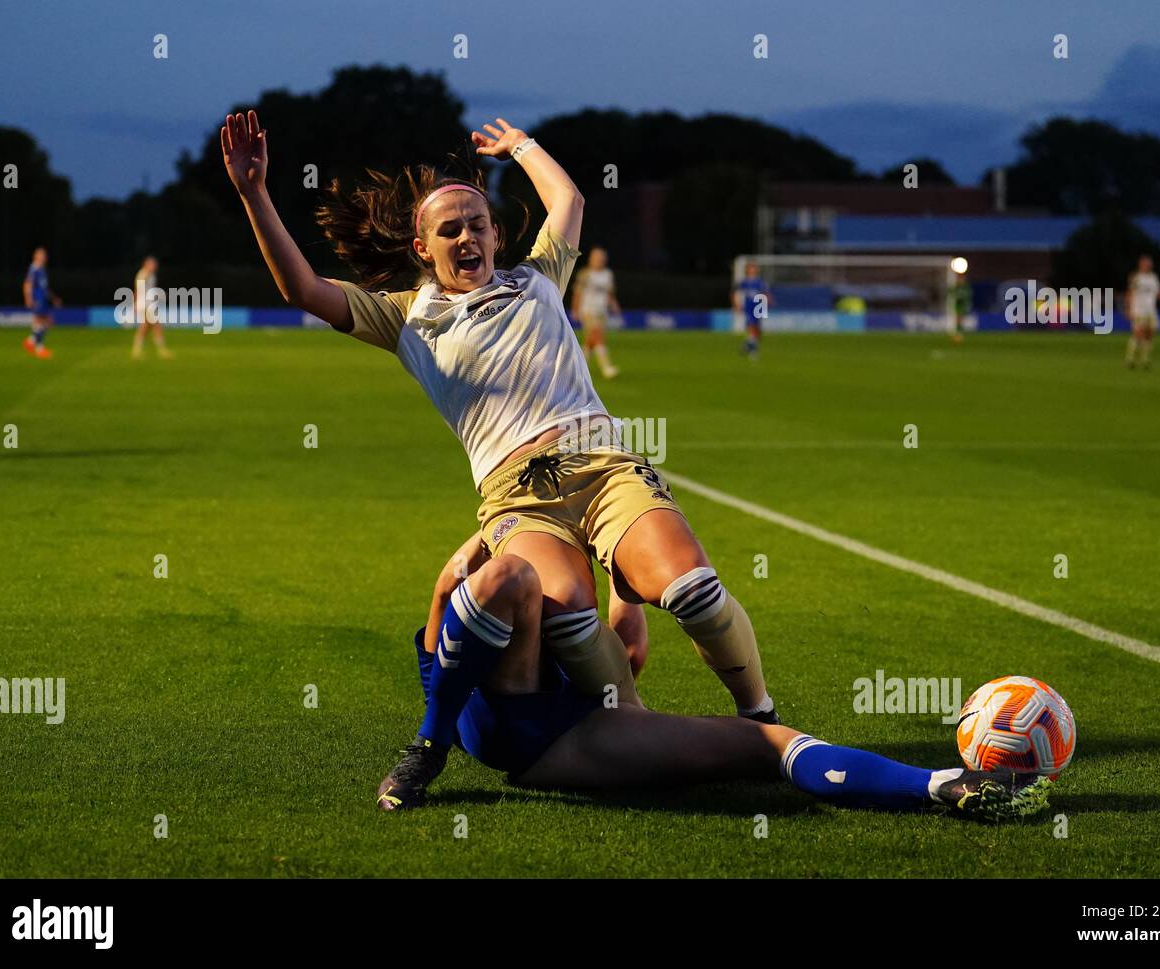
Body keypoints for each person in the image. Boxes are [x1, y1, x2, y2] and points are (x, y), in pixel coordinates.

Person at [221, 110, 779, 804]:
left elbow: (569, 201)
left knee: (692, 589)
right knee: (575, 621)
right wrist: (253, 193)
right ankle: (632, 723)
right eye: (449, 229)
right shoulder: (405, 318)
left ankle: (760, 715)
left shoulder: (540, 276)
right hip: (519, 500)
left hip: (601, 465)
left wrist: (522, 148)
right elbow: (302, 289)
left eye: (477, 223)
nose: (467, 236)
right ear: (423, 247)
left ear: (494, 232)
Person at [378, 538, 1052, 820]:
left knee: (767, 746)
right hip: (508, 728)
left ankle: (943, 785)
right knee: (502, 575)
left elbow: (622, 665)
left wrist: (627, 591)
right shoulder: (491, 570)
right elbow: (451, 607)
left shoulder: (567, 611)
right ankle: (424, 749)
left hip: (557, 741)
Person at [571, 246, 620, 378]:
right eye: (597, 258)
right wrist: (575, 309)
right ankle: (606, 367)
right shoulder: (585, 274)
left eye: (602, 258)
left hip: (602, 311)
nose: (600, 260)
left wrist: (613, 304)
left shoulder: (607, 274)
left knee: (590, 340)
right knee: (597, 336)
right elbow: (577, 293)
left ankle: (578, 367)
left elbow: (609, 292)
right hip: (588, 310)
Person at [1124, 255, 1160, 370]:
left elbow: (1158, 293)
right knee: (1138, 333)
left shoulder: (1153, 278)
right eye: (1147, 263)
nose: (1149, 265)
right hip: (1138, 310)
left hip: (1151, 310)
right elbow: (1130, 293)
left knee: (1149, 335)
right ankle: (1130, 359)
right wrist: (1128, 309)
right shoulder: (1136, 277)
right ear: (1141, 264)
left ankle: (1145, 360)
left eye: (1150, 263)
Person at [131, 255, 173, 360]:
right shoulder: (143, 274)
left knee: (146, 326)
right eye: (152, 264)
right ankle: (162, 350)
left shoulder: (152, 275)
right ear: (146, 264)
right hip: (144, 304)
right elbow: (137, 289)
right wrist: (135, 303)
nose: (154, 266)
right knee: (156, 325)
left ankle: (137, 349)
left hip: (149, 303)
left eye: (155, 264)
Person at [22, 247, 60, 360]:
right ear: (36, 256)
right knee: (44, 321)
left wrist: (54, 299)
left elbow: (45, 288)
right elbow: (27, 284)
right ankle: (38, 348)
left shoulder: (42, 270)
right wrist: (28, 298)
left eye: (44, 255)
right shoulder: (34, 268)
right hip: (37, 300)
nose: (44, 257)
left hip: (43, 300)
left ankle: (31, 342)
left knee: (45, 322)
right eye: (41, 255)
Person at [732, 261, 770, 359]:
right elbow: (733, 292)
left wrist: (768, 302)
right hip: (748, 307)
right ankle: (753, 352)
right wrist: (736, 304)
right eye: (751, 268)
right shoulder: (744, 282)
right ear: (747, 270)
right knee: (751, 327)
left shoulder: (760, 282)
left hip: (759, 307)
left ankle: (746, 345)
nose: (753, 270)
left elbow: (766, 294)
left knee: (758, 332)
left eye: (754, 268)